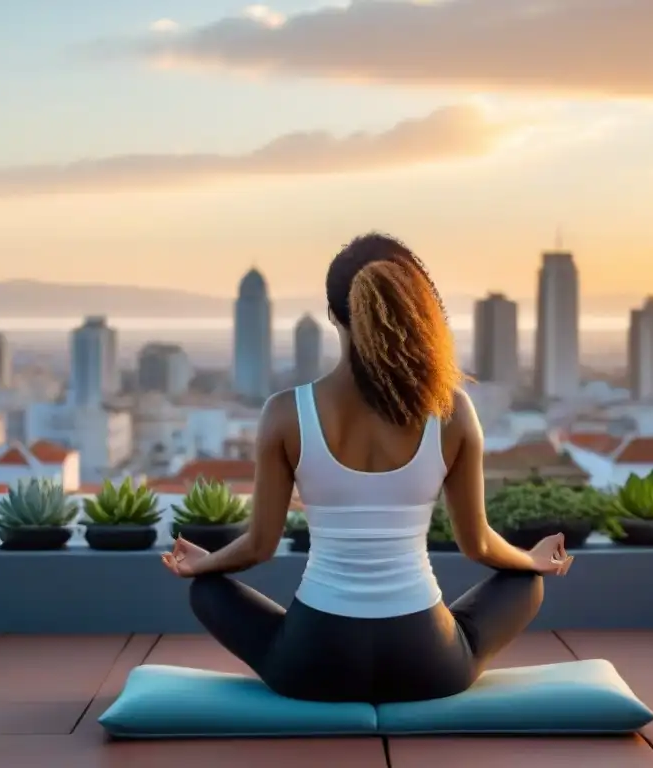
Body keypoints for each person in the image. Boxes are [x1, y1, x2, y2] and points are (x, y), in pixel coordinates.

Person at [162, 233, 573, 704]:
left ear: (334, 314)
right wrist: (532, 560)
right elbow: (477, 544)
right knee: (526, 582)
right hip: (429, 664)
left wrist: (203, 565)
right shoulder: (453, 410)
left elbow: (259, 546)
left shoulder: (284, 412)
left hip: (313, 664)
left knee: (206, 591)